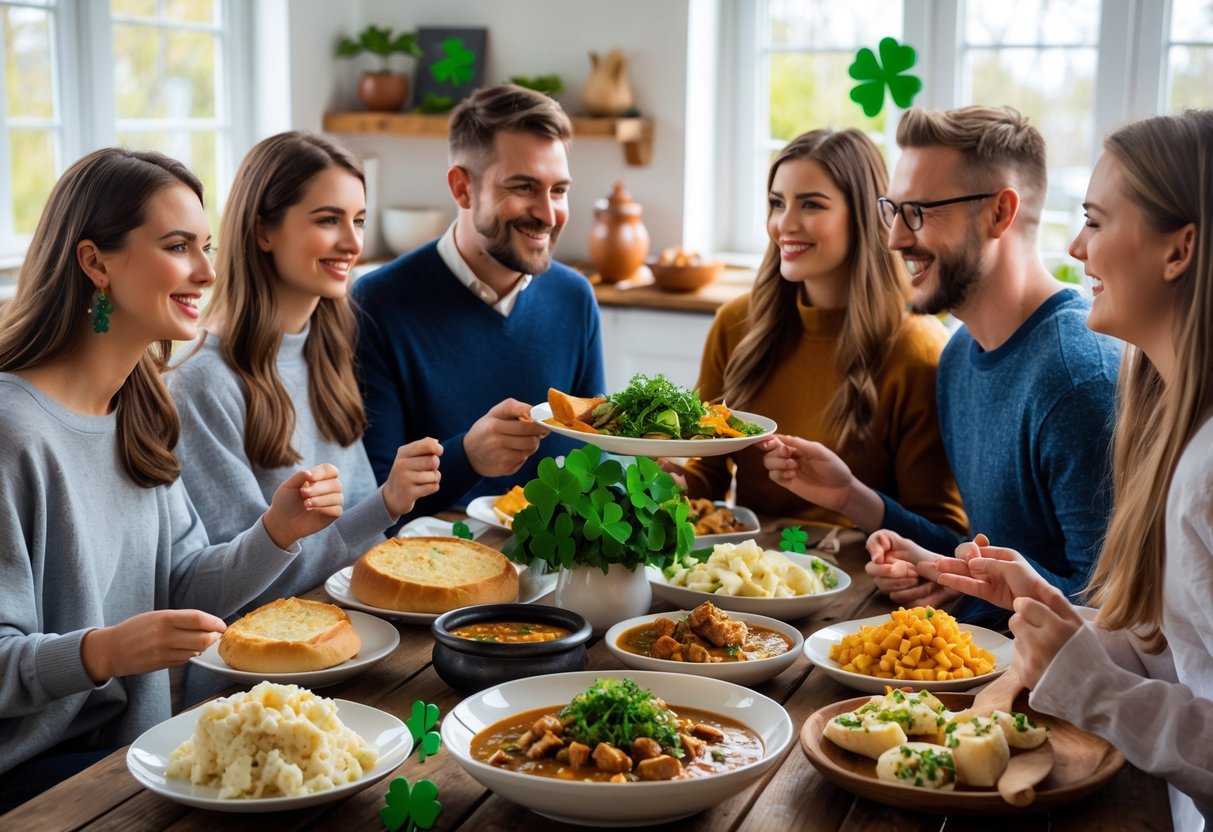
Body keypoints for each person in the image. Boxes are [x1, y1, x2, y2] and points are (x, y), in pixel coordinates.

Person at [0, 148, 345, 810]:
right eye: (178, 246)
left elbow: (186, 585)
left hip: (137, 747)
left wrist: (275, 533)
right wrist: (99, 652)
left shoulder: (141, 408)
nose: (208, 271)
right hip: (33, 774)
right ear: (95, 262)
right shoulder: (13, 432)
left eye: (206, 246)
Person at [904, 110, 1211, 832]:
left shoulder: (1195, 461)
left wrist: (1087, 684)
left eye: (1096, 223)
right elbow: (1185, 656)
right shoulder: (1170, 422)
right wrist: (1057, 609)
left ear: (1179, 251)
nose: (1076, 249)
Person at [767, 106, 1122, 628]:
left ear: (1000, 213)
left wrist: (963, 587)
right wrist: (852, 498)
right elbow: (992, 555)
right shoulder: (960, 356)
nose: (894, 239)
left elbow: (1107, 613)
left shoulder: (1076, 379)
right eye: (894, 210)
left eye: (921, 212)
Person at [169, 132, 442, 703]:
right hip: (249, 686)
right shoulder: (202, 382)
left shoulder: (327, 348)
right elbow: (241, 592)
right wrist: (381, 506)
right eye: (328, 220)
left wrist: (389, 502)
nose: (352, 242)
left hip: (341, 644)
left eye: (359, 220)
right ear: (263, 231)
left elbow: (350, 551)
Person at [673, 128, 966, 538]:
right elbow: (707, 475)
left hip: (864, 587)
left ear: (864, 217)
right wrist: (668, 481)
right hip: (745, 576)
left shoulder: (919, 350)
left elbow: (941, 530)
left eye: (811, 204)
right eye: (777, 203)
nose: (784, 224)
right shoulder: (735, 325)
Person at [352, 84, 606, 518]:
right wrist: (467, 455)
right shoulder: (376, 304)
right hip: (435, 565)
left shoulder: (574, 297)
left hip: (560, 566)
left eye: (559, 190)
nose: (548, 214)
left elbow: (598, 453)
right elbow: (375, 501)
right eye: (524, 187)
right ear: (462, 188)